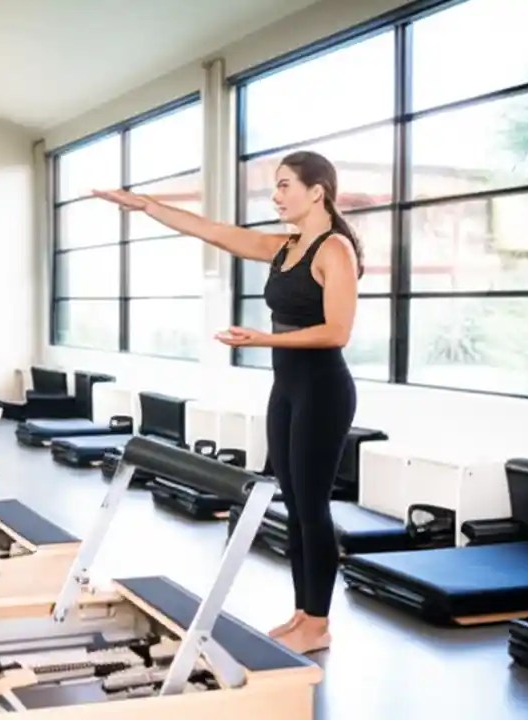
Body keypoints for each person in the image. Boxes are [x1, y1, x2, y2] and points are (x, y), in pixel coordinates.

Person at [92, 150, 360, 655]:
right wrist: (146, 205)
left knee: (314, 507)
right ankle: (304, 613)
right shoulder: (284, 248)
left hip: (324, 390)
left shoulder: (334, 250)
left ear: (316, 191)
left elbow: (338, 331)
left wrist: (262, 341)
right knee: (296, 505)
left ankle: (319, 623)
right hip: (286, 389)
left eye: (284, 186)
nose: (275, 196)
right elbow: (212, 231)